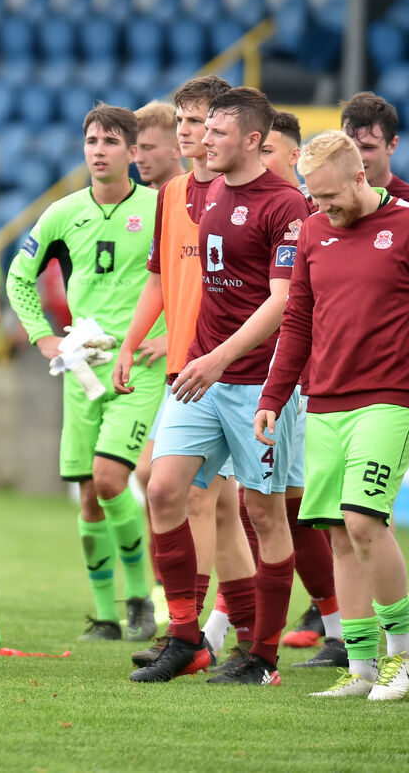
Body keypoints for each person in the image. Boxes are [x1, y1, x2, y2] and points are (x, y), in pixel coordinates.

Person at [257, 129, 409, 700]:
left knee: (363, 521)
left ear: (360, 175)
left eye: (329, 196)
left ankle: (402, 654)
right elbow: (298, 319)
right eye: (313, 198)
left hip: (390, 397)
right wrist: (273, 397)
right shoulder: (314, 233)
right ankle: (361, 666)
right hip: (323, 401)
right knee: (337, 536)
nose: (321, 208)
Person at [128, 87, 310, 686]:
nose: (203, 141)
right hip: (201, 378)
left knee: (264, 512)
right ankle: (184, 636)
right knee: (162, 488)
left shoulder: (287, 206)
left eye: (216, 133)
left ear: (253, 140)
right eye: (201, 131)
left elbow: (283, 303)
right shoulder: (205, 197)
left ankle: (262, 656)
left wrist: (218, 357)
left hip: (260, 384)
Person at [114, 77, 255, 669]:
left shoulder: (245, 193)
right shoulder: (174, 194)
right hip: (187, 373)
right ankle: (196, 632)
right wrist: (131, 342)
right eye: (182, 121)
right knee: (186, 497)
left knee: (259, 511)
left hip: (242, 371)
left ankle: (251, 633)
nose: (185, 132)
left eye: (196, 121)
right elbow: (161, 281)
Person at [7, 104, 162, 643]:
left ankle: (141, 597)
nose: (99, 150)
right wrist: (43, 335)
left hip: (139, 366)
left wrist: (168, 338)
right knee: (91, 495)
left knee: (110, 477)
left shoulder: (162, 209)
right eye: (92, 140)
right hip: (81, 369)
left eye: (112, 142)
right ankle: (104, 615)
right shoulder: (61, 213)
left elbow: (188, 283)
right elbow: (19, 278)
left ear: (133, 152)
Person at [258, 109, 347, 666]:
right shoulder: (220, 200)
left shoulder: (304, 214)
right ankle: (333, 628)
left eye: (269, 150)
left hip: (292, 383)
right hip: (255, 379)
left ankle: (226, 633)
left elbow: (292, 305)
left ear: (294, 157)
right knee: (277, 510)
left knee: (288, 512)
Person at [341, 92, 409, 227]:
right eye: (349, 146)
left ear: (392, 145)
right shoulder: (322, 204)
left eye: (368, 147)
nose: (357, 157)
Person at [133, 101, 186, 191]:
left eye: (147, 148)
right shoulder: (137, 201)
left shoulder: (203, 197)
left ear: (178, 149)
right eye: (135, 149)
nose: (137, 159)